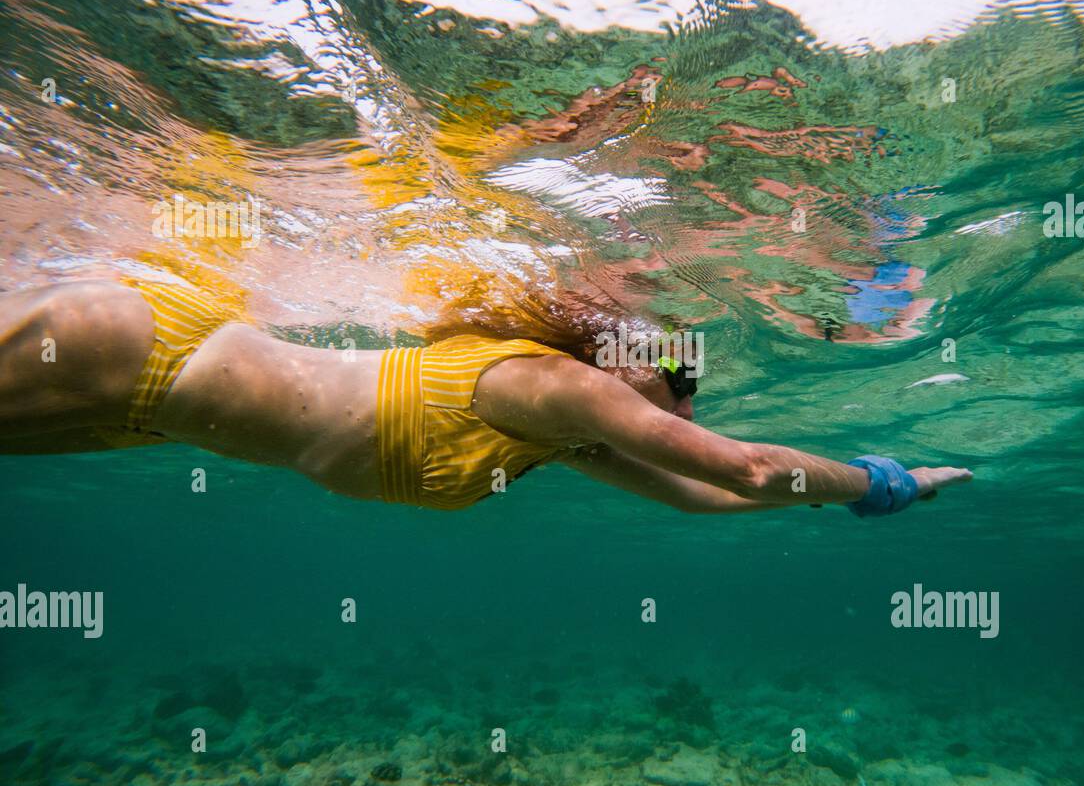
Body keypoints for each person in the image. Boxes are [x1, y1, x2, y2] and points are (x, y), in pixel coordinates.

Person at [0, 277, 972, 514]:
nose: (680, 406)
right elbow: (750, 467)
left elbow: (710, 496)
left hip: (145, 411)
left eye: (690, 389)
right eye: (671, 378)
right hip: (131, 350)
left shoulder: (560, 429)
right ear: (614, 357)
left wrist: (868, 496)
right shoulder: (547, 386)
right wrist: (885, 481)